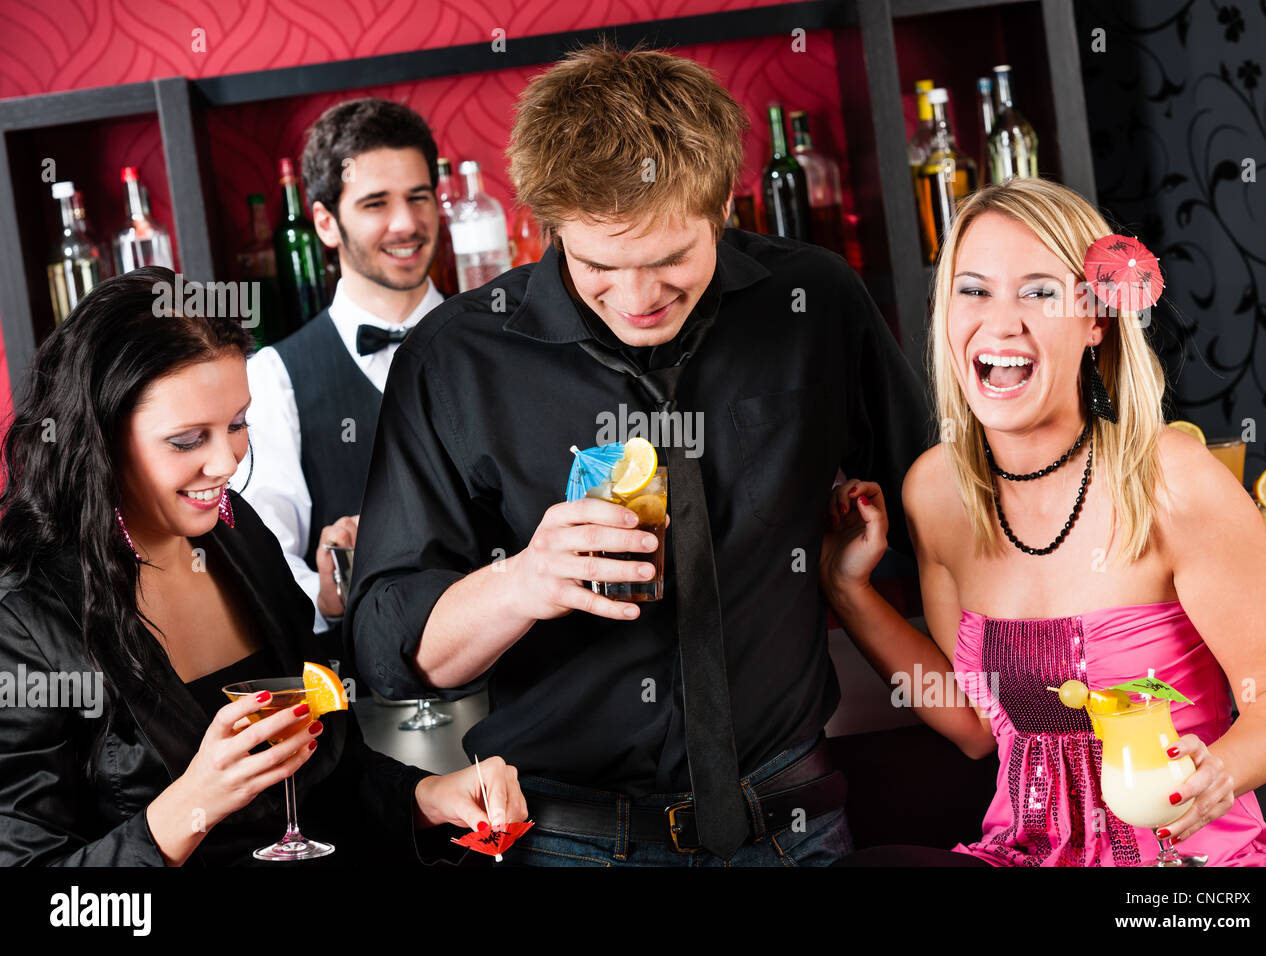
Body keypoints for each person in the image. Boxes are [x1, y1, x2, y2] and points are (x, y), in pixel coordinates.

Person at [345, 40, 932, 866]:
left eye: (669, 262)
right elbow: (391, 654)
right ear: (551, 225)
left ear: (723, 203)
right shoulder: (454, 358)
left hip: (795, 824)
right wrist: (523, 582)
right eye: (598, 265)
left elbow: (941, 515)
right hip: (568, 842)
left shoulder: (815, 303)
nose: (637, 298)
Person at [822, 178, 1266, 866]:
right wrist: (849, 590)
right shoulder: (937, 490)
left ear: (1095, 320)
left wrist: (1220, 772)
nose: (1001, 321)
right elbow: (975, 727)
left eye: (1040, 292)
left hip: (1186, 861)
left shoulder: (1172, 478)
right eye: (973, 289)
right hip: (1027, 853)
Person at [0, 268, 525, 866]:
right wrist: (192, 804)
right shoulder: (24, 619)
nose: (225, 461)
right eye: (186, 441)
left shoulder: (238, 536)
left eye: (238, 424)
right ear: (101, 437)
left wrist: (427, 796)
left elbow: (327, 774)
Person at [234, 98, 445, 667]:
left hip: (517, 688)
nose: (405, 223)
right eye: (376, 203)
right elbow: (263, 559)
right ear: (325, 222)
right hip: (368, 704)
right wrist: (327, 594)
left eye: (418, 197)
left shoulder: (492, 346)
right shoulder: (274, 377)